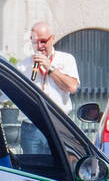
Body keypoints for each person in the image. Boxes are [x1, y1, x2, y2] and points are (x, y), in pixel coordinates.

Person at [20, 21, 79, 154]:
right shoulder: (23, 65)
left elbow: (72, 86)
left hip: (58, 124)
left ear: (52, 38)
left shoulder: (66, 59)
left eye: (43, 41)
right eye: (35, 42)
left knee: (61, 169)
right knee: (34, 169)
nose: (40, 46)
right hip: (32, 127)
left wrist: (50, 68)